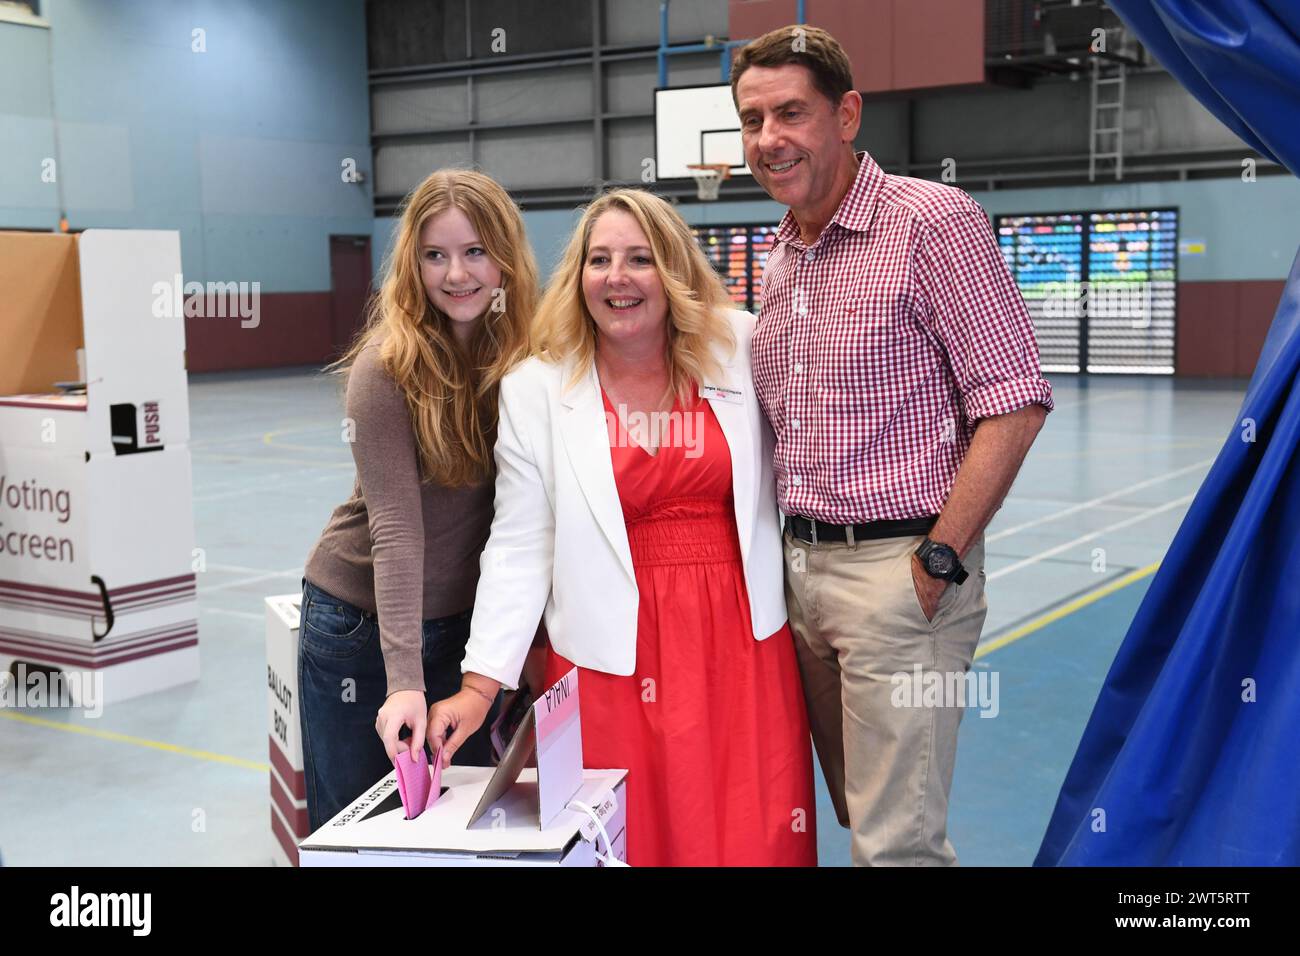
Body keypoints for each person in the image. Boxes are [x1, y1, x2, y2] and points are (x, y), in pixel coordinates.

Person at [732, 25, 1053, 866]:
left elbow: (1014, 401)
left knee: (897, 843)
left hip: (901, 575)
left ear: (846, 114)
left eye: (790, 113)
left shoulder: (930, 223)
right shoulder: (783, 256)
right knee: (853, 810)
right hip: (801, 580)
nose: (770, 139)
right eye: (752, 119)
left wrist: (937, 560)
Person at [427, 188, 817, 866]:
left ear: (672, 271)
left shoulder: (742, 347)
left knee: (751, 833)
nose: (618, 277)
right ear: (578, 278)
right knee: (627, 836)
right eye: (599, 259)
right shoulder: (537, 388)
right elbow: (520, 545)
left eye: (640, 259)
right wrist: (480, 683)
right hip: (609, 658)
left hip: (742, 644)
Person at [297, 169, 538, 831]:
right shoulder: (387, 366)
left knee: (456, 827)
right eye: (435, 255)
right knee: (360, 826)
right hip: (364, 624)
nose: (455, 274)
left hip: (462, 626)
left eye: (474, 252)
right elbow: (397, 529)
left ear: (505, 257)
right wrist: (402, 678)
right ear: (413, 263)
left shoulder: (524, 356)